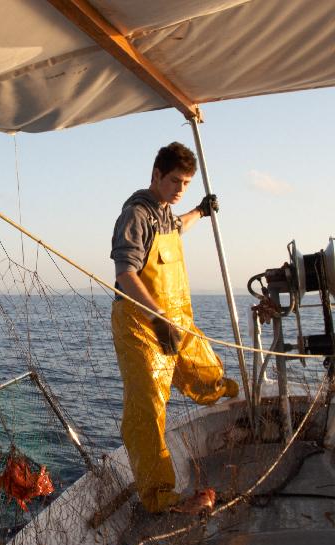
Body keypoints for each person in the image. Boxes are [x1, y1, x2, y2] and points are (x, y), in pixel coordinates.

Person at [110, 141, 238, 514]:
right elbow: (126, 274)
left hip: (176, 320)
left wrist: (201, 211)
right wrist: (157, 317)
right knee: (148, 408)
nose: (180, 189)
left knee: (206, 372)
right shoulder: (136, 215)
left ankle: (233, 395)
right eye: (175, 181)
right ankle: (159, 495)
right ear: (156, 175)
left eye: (186, 183)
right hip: (142, 324)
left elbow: (179, 226)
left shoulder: (166, 213)